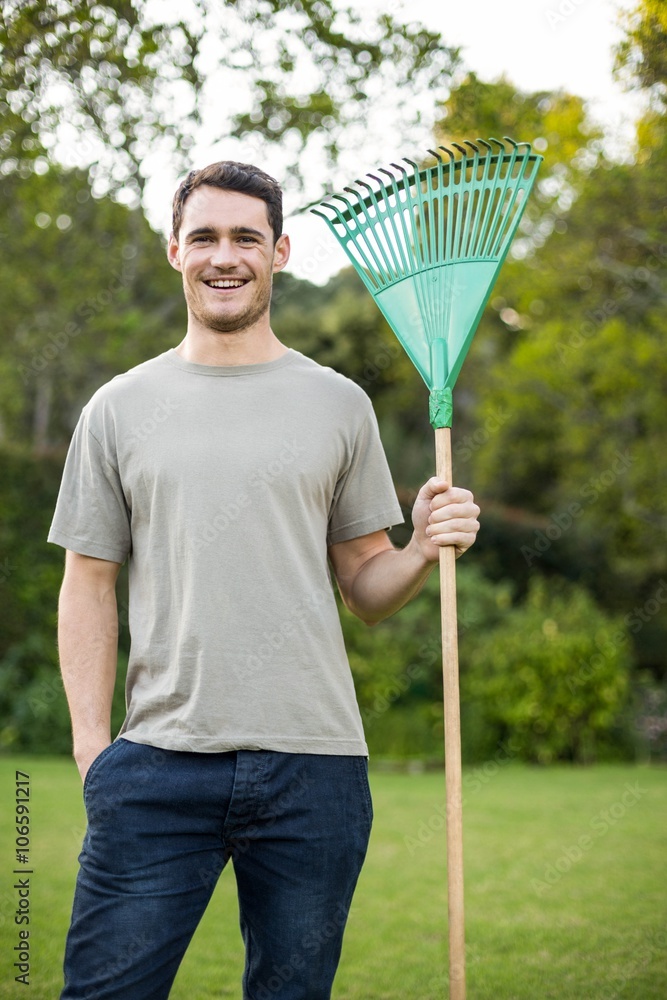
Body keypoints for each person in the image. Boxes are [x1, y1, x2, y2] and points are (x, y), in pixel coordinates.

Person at [48, 160, 480, 1000]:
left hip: (313, 771)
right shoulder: (118, 407)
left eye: (246, 237)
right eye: (204, 236)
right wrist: (92, 748)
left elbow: (366, 585)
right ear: (175, 250)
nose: (225, 256)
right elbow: (88, 582)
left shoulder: (338, 404)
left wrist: (423, 548)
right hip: (157, 765)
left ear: (279, 251)